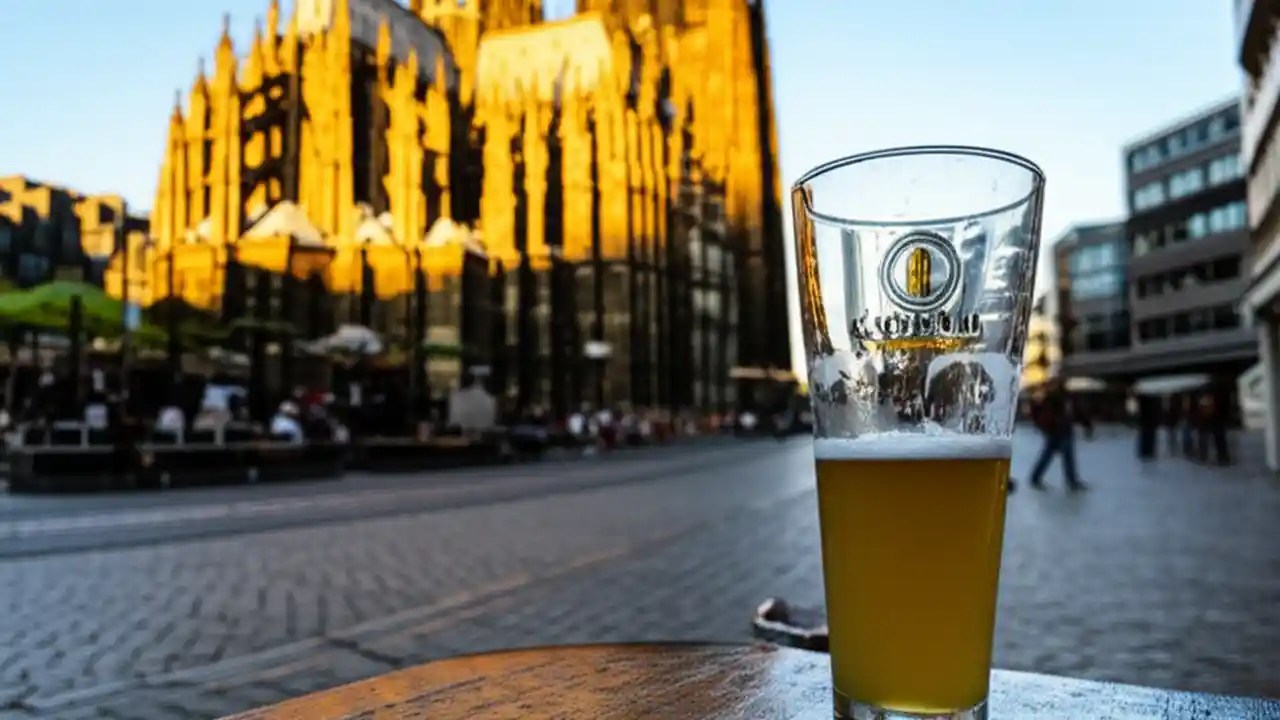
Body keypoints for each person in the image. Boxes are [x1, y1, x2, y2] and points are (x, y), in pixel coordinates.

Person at [1029, 379, 1086, 491]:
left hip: (1058, 430)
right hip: (1060, 430)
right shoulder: (1058, 398)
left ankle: (1036, 477)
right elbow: (1074, 412)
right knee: (1064, 456)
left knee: (1050, 455)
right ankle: (1071, 481)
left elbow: (1075, 412)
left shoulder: (1054, 397)